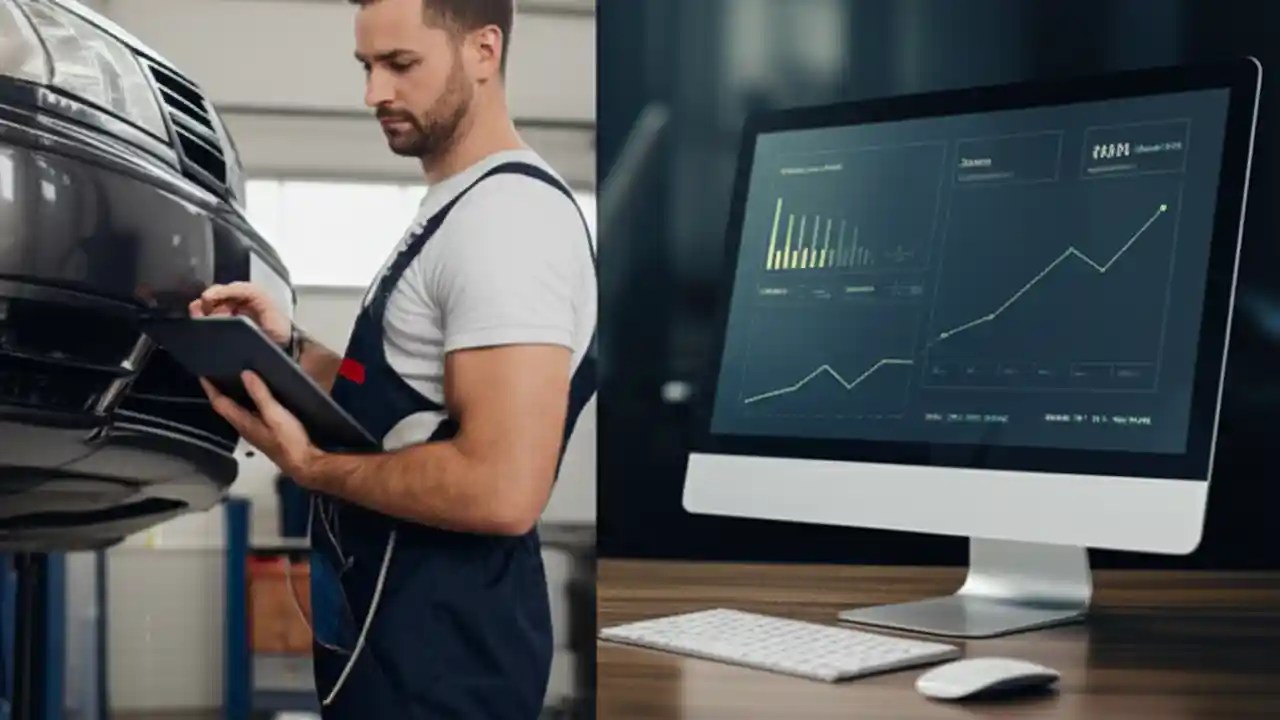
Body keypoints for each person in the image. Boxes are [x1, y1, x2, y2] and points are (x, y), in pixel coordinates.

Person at [189, 0, 596, 716]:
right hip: (395, 648)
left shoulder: (509, 224)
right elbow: (393, 398)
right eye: (367, 66)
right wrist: (289, 347)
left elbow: (502, 489)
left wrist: (311, 467)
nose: (374, 93)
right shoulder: (454, 210)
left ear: (483, 50)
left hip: (449, 665)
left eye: (400, 65)